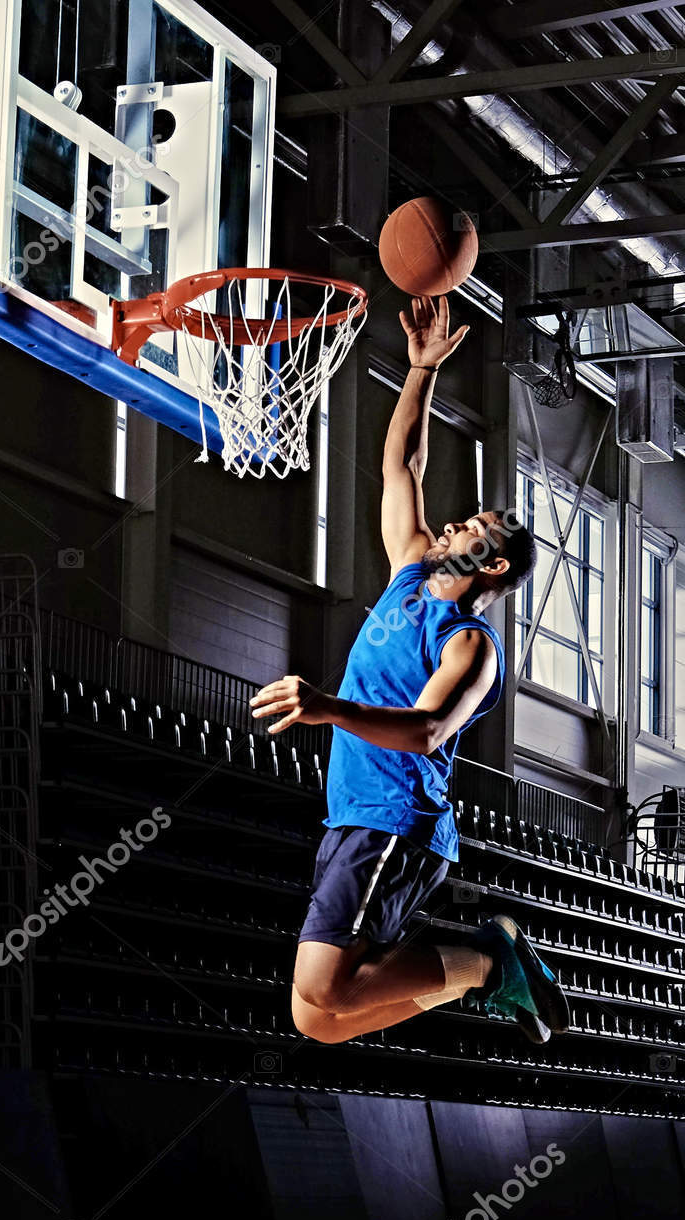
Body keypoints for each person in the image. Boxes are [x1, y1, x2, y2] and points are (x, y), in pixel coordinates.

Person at [250, 294, 569, 1046]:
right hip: (354, 815)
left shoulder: (471, 647)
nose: (451, 524)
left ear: (491, 564)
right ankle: (480, 967)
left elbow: (426, 731)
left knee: (323, 989)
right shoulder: (410, 572)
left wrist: (329, 707)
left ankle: (487, 964)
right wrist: (421, 369)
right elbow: (402, 464)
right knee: (318, 1019)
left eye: (472, 528)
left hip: (395, 820)